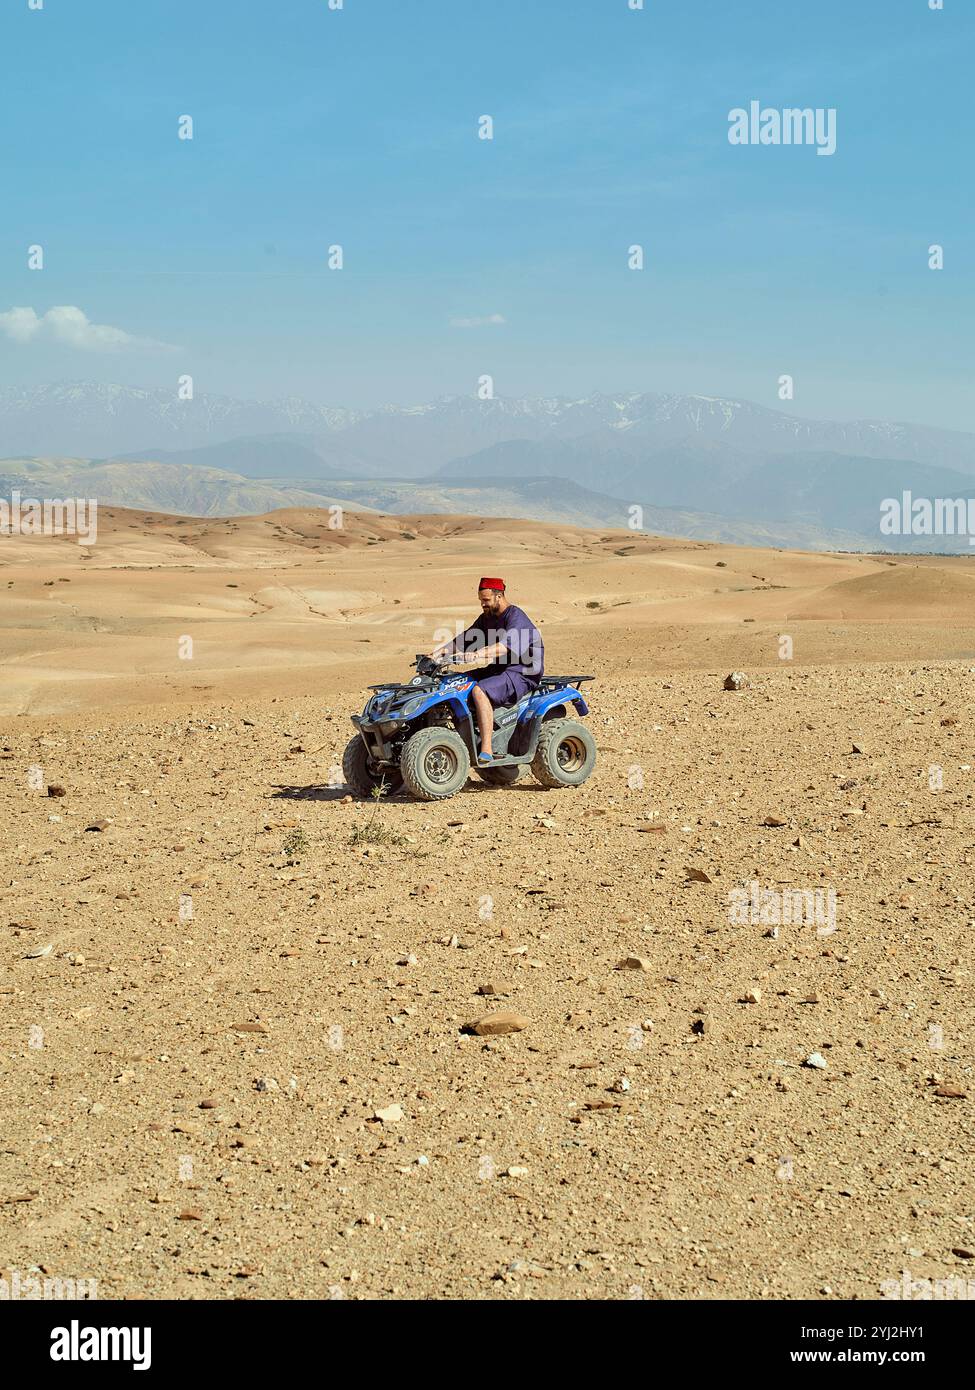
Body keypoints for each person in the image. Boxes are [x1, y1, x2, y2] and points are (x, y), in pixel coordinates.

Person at [430, 577, 544, 764]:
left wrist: (477, 654)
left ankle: (487, 749)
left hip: (523, 672)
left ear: (499, 596)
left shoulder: (516, 617)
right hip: (500, 668)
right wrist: (435, 654)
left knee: (479, 690)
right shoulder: (488, 618)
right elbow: (464, 639)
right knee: (455, 683)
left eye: (486, 600)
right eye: (481, 600)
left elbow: (505, 646)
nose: (482, 604)